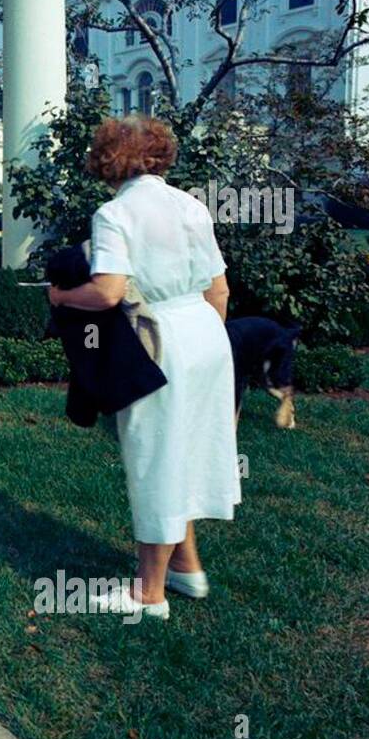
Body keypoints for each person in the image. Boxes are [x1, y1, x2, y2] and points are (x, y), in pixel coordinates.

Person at [47, 113, 239, 619]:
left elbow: (108, 292)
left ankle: (148, 594)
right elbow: (219, 290)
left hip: (162, 339)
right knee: (186, 453)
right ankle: (187, 568)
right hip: (206, 333)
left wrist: (62, 295)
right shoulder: (191, 205)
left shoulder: (116, 214)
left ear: (108, 159)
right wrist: (208, 347)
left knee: (156, 459)